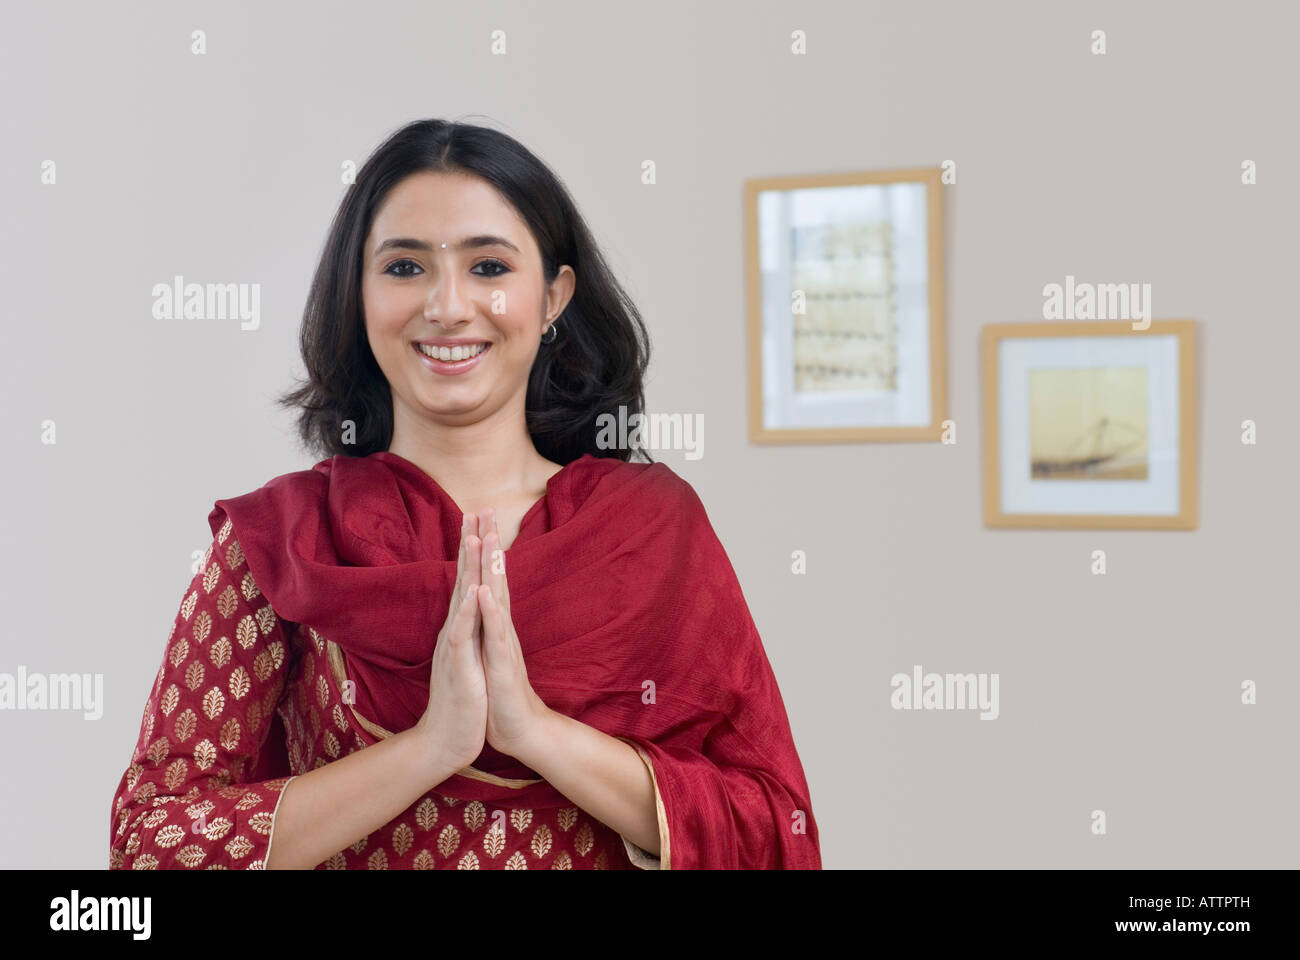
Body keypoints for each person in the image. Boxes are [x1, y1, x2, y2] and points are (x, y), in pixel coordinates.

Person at [108, 118, 820, 870]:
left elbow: (777, 828)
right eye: (405, 268)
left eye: (488, 267)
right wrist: (430, 747)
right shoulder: (281, 540)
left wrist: (535, 732)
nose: (447, 306)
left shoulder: (650, 532)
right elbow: (153, 842)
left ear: (553, 297)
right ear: (358, 295)